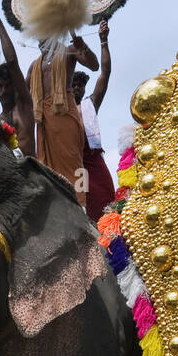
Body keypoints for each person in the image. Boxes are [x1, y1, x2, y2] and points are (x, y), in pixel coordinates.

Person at [26, 31, 99, 208]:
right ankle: (55, 207)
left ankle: (81, 205)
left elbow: (94, 65)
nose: (40, 36)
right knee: (45, 167)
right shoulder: (34, 66)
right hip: (44, 121)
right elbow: (21, 92)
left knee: (75, 161)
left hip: (65, 113)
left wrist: (84, 48)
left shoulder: (69, 51)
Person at [72, 17, 117, 224]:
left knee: (108, 206)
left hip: (95, 164)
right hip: (77, 168)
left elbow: (105, 73)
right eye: (73, 84)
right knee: (82, 212)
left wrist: (103, 41)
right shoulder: (59, 110)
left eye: (81, 85)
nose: (77, 88)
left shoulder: (89, 105)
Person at [0, 4, 36, 156]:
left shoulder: (24, 104)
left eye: (7, 85)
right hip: (9, 175)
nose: (4, 91)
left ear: (14, 86)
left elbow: (12, 62)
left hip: (30, 173)